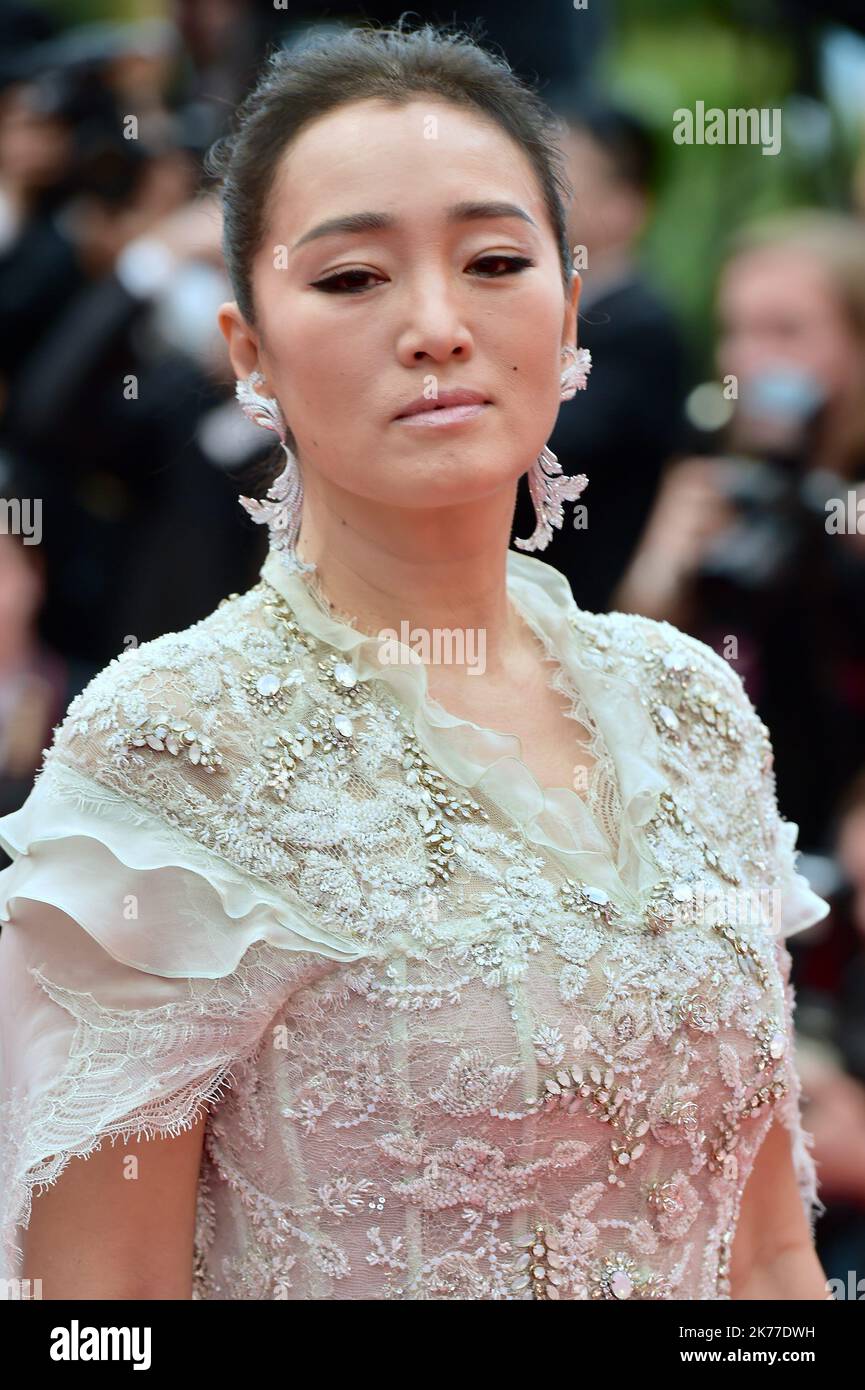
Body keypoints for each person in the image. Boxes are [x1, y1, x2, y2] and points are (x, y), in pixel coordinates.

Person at [0, 21, 832, 1300]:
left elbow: (767, 1259)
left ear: (571, 308)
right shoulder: (180, 741)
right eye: (350, 279)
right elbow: (92, 1319)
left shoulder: (691, 710)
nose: (437, 325)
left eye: (495, 261)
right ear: (248, 350)